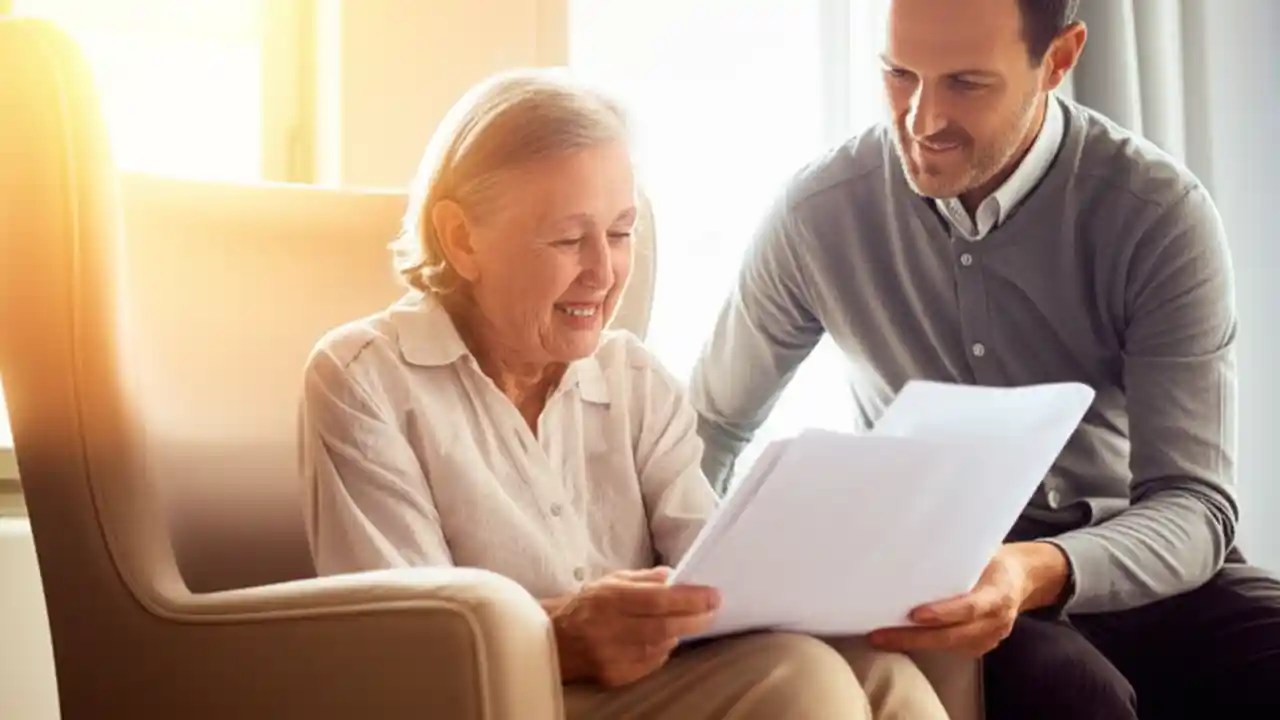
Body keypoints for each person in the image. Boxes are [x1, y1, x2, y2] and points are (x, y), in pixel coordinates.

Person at [690, 0, 1280, 717]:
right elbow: (711, 430)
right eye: (900, 74)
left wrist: (1034, 569)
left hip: (1130, 557)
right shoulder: (819, 214)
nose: (922, 120)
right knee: (1074, 695)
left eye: (966, 83)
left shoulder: (1157, 214)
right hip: (946, 582)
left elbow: (1194, 506)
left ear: (1058, 60)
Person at [299, 69, 948, 719]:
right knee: (800, 681)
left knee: (886, 678)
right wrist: (557, 636)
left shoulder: (632, 379)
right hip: (496, 702)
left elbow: (714, 570)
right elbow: (399, 643)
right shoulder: (365, 380)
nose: (604, 273)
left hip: (648, 689)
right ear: (463, 239)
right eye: (567, 239)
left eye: (619, 232)